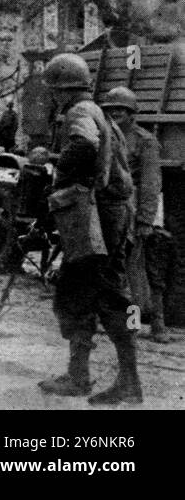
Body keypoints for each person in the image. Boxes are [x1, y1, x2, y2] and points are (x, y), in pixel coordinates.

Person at [39, 54, 140, 404]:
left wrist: (57, 170)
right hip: (109, 215)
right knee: (88, 293)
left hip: (96, 219)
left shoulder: (79, 113)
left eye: (53, 91)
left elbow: (84, 145)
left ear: (60, 89)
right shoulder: (97, 110)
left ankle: (101, 379)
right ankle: (97, 376)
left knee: (94, 296)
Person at [99, 86, 170, 343]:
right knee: (115, 266)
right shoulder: (104, 137)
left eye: (122, 110)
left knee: (149, 267)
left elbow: (152, 182)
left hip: (139, 207)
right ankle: (125, 321)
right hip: (113, 208)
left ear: (133, 114)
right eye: (111, 109)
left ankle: (158, 324)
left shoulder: (145, 140)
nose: (116, 113)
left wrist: (145, 220)